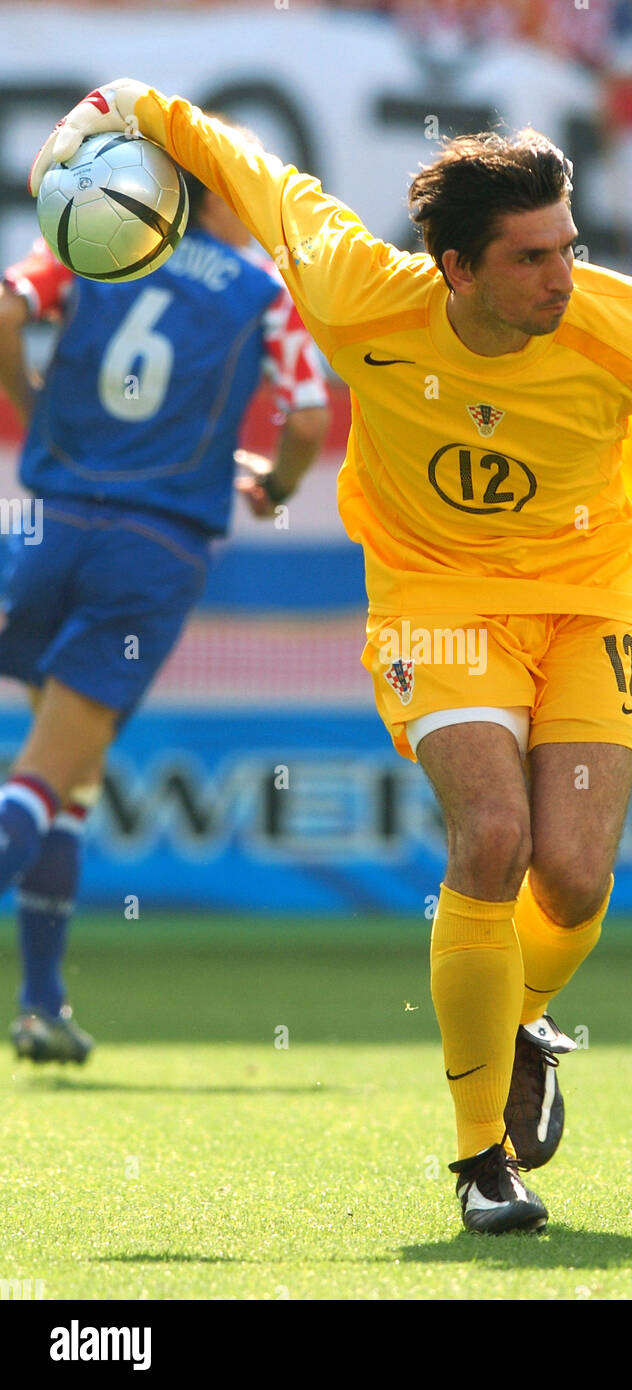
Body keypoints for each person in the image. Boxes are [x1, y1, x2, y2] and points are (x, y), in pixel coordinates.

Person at [28, 82, 632, 1233]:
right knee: (493, 837)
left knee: (570, 875)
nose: (561, 277)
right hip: (433, 598)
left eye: (566, 246)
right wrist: (117, 106)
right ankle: (481, 1164)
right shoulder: (355, 291)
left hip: (588, 598)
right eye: (529, 259)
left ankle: (519, 1021)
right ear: (456, 269)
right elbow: (241, 161)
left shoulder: (621, 325)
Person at [0, 160, 330, 1065]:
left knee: (64, 770)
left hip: (44, 523)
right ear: (215, 198)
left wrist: (36, 411)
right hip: (150, 550)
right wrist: (276, 486)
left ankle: (41, 1002)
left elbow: (5, 308)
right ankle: (38, 997)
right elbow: (305, 421)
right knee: (41, 779)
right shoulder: (267, 292)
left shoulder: (92, 243)